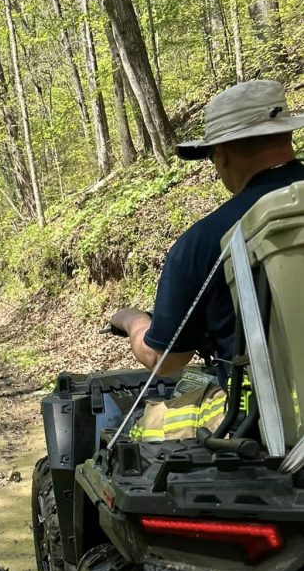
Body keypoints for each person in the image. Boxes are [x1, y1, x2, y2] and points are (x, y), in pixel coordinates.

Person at [110, 79, 304, 381]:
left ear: (221, 153)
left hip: (266, 424)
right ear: (288, 134)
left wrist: (132, 320)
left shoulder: (203, 242)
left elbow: (164, 360)